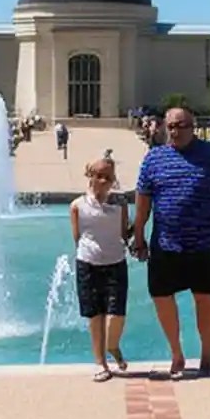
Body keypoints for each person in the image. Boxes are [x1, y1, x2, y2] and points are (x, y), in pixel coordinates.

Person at [132, 107, 210, 379]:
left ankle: (207, 355)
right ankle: (176, 353)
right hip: (166, 241)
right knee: (161, 297)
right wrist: (138, 235)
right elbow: (143, 200)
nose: (175, 131)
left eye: (181, 126)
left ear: (192, 127)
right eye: (170, 126)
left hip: (204, 240)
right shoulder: (154, 158)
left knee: (203, 298)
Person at [70, 154, 131, 382]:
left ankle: (113, 346)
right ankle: (100, 362)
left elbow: (124, 233)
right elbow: (77, 237)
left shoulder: (120, 204)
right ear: (90, 177)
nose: (104, 181)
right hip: (88, 264)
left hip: (116, 263)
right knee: (95, 316)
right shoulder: (77, 205)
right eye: (100, 176)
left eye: (109, 177)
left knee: (116, 315)